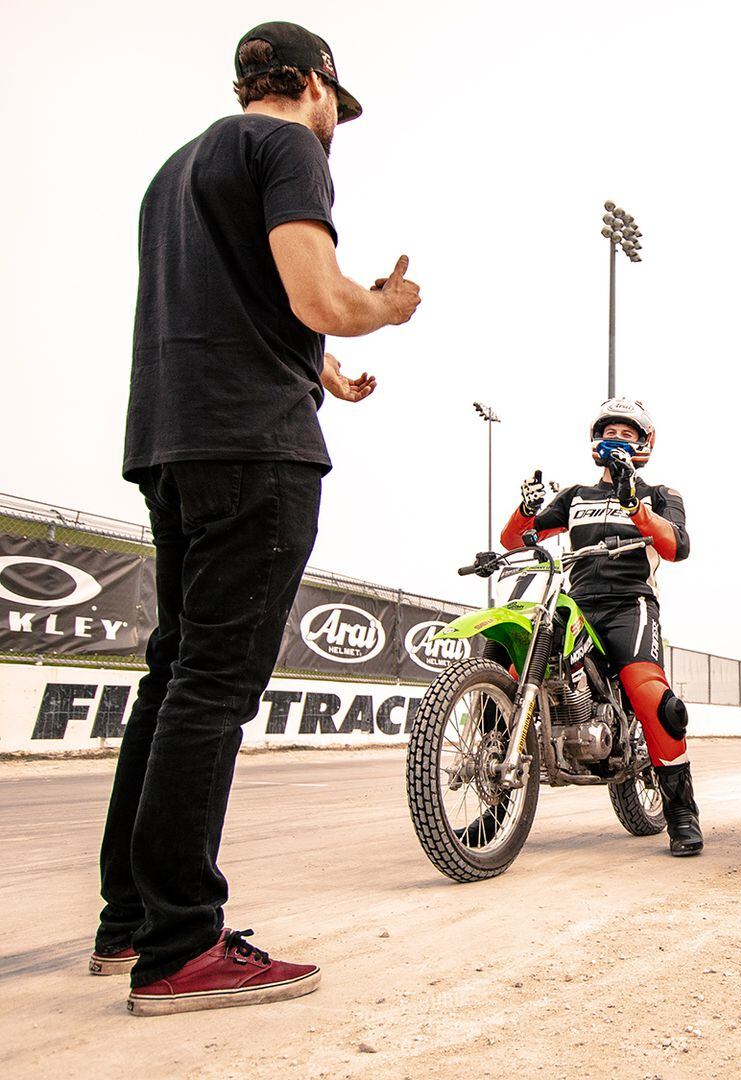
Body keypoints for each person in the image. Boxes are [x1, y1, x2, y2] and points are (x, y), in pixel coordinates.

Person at [93, 22, 421, 1015]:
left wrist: (324, 368)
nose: (334, 130)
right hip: (255, 450)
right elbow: (316, 292)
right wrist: (385, 303)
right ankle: (183, 948)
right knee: (215, 690)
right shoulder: (286, 147)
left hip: (171, 439)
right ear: (317, 84)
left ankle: (131, 920)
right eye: (337, 110)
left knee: (175, 674)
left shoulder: (176, 170)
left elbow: (232, 303)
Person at [494, 398, 703, 856]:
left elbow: (677, 546)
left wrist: (635, 504)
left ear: (644, 443)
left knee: (651, 695)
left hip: (631, 604)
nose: (616, 439)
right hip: (576, 602)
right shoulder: (574, 496)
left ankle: (682, 815)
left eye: (626, 434)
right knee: (506, 661)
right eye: (609, 432)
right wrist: (526, 510)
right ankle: (494, 805)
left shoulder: (661, 493)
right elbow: (515, 541)